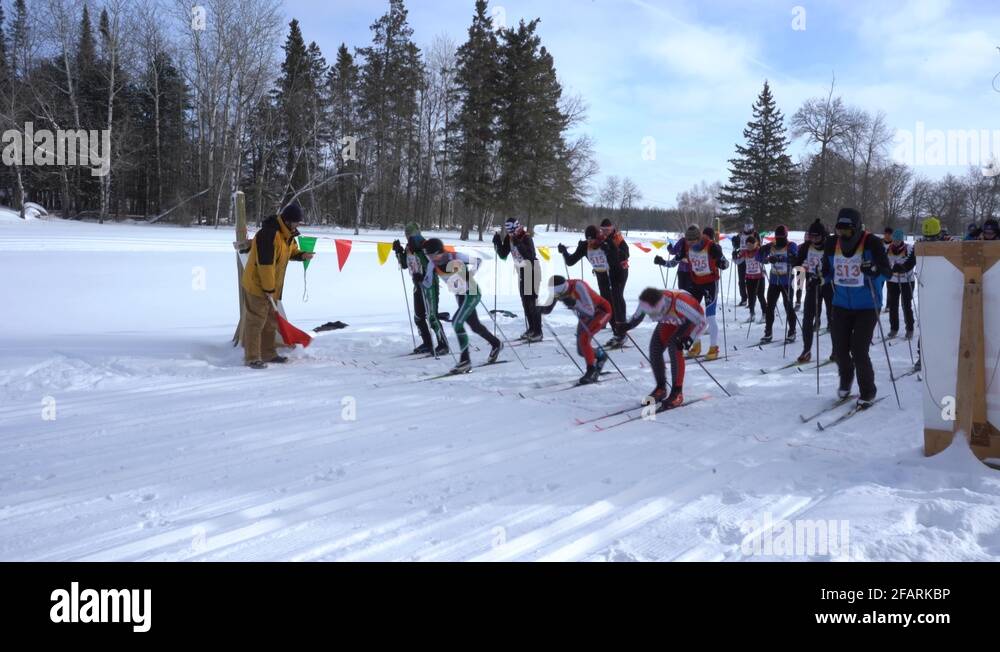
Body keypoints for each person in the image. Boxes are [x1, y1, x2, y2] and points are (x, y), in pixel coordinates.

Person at [821, 208, 893, 408]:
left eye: (847, 231)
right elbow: (827, 270)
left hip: (868, 305)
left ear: (857, 229)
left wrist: (875, 269)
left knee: (859, 349)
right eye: (839, 230)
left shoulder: (872, 243)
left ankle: (868, 390)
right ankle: (846, 377)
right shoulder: (831, 243)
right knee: (840, 349)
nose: (842, 235)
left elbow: (888, 272)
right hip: (841, 303)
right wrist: (817, 278)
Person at [240, 203, 315, 369]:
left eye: (299, 223)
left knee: (270, 322)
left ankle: (268, 354)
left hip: (271, 286)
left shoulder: (287, 235)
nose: (297, 225)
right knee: (256, 321)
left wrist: (302, 255)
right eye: (296, 222)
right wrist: (268, 289)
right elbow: (265, 265)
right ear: (287, 221)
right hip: (257, 285)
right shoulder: (269, 234)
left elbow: (290, 252)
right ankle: (252, 357)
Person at [422, 239, 502, 374]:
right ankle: (496, 343)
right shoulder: (432, 264)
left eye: (431, 255)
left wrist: (469, 275)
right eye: (428, 256)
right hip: (460, 296)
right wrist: (421, 280)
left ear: (439, 252)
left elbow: (478, 261)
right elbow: (427, 282)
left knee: (457, 323)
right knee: (475, 326)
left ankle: (465, 361)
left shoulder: (456, 256)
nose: (430, 258)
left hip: (472, 293)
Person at [622, 287, 708, 410]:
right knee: (655, 347)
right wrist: (627, 326)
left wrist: (689, 339)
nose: (652, 318)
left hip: (689, 321)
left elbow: (702, 322)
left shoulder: (680, 303)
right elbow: (637, 316)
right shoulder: (647, 302)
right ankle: (661, 388)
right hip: (670, 319)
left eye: (654, 313)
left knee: (675, 346)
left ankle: (677, 392)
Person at [655, 225, 727, 360]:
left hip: (710, 283)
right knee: (692, 315)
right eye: (688, 242)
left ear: (699, 238)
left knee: (710, 316)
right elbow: (674, 262)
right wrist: (663, 262)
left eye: (693, 242)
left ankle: (714, 347)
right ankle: (696, 345)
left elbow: (725, 263)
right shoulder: (685, 246)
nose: (690, 245)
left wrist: (722, 264)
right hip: (696, 284)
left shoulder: (711, 246)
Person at [559, 225, 626, 347]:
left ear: (598, 236)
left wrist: (609, 251)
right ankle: (617, 332)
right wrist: (564, 252)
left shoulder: (607, 242)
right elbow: (571, 261)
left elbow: (620, 257)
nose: (590, 242)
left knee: (616, 303)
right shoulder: (585, 246)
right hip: (602, 278)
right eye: (588, 240)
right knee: (607, 307)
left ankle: (621, 333)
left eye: (592, 239)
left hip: (615, 276)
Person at [539, 276, 611, 384]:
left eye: (560, 295)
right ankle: (601, 355)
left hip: (602, 311)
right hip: (585, 315)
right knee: (581, 351)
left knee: (584, 339)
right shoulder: (557, 290)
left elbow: (590, 312)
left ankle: (591, 371)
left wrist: (574, 303)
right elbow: (548, 309)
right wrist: (538, 309)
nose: (559, 297)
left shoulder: (579, 286)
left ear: (564, 289)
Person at [394, 224, 449, 356]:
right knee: (418, 317)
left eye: (410, 234)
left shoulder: (425, 245)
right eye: (406, 234)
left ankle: (443, 345)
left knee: (432, 316)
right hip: (417, 285)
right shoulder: (409, 247)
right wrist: (398, 252)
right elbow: (405, 265)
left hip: (429, 285)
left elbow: (430, 263)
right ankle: (427, 343)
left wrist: (418, 250)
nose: (408, 237)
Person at [493, 218, 542, 342]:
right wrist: (498, 242)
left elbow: (530, 256)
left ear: (518, 228)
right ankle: (531, 328)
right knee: (525, 302)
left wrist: (518, 244)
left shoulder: (526, 237)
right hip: (522, 271)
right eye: (509, 231)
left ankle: (538, 331)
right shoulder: (509, 238)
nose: (511, 233)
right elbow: (503, 255)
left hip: (532, 269)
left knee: (532, 301)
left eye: (513, 231)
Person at [794, 219, 833, 363]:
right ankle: (806, 350)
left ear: (823, 236)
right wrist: (795, 263)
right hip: (812, 285)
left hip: (829, 286)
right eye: (811, 237)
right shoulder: (806, 247)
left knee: (833, 317)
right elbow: (798, 263)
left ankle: (836, 350)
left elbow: (836, 267)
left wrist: (825, 277)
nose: (814, 240)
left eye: (817, 237)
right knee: (807, 318)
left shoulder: (830, 246)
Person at [758, 225, 798, 344]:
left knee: (788, 306)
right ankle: (768, 332)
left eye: (782, 237)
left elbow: (795, 259)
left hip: (787, 281)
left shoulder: (791, 246)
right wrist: (765, 258)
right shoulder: (771, 246)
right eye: (778, 237)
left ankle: (792, 331)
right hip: (774, 282)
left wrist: (781, 259)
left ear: (786, 236)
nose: (780, 240)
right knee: (770, 307)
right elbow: (758, 257)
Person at [600, 219, 631, 346]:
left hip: (621, 271)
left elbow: (626, 254)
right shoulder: (602, 238)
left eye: (607, 230)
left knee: (617, 298)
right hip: (611, 271)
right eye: (603, 230)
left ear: (612, 228)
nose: (605, 232)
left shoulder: (618, 239)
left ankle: (622, 329)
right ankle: (620, 328)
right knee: (614, 298)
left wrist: (612, 249)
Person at [885, 228, 916, 340]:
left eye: (898, 240)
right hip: (892, 281)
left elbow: (911, 262)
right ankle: (894, 328)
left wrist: (902, 268)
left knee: (906, 305)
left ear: (901, 239)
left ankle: (910, 329)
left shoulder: (909, 248)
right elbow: (884, 262)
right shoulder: (888, 248)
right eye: (895, 240)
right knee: (893, 305)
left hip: (907, 280)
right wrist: (887, 270)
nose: (896, 242)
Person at [737, 233, 767, 323]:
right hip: (749, 277)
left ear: (755, 244)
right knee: (750, 296)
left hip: (759, 277)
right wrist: (735, 255)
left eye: (751, 245)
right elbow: (738, 261)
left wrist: (764, 257)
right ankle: (752, 314)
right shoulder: (745, 252)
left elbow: (766, 259)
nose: (749, 247)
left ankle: (765, 314)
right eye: (748, 245)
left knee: (760, 295)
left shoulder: (759, 250)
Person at [729, 221, 758, 306]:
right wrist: (735, 244)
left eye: (750, 225)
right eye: (746, 225)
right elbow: (737, 246)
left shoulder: (755, 234)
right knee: (741, 280)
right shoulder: (741, 234)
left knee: (751, 281)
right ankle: (744, 298)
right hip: (741, 259)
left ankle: (752, 300)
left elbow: (759, 245)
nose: (748, 227)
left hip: (752, 259)